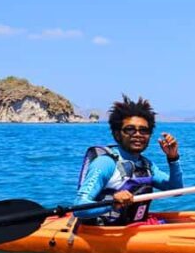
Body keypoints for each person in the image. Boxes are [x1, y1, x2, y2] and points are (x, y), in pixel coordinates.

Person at [73, 95, 183, 225]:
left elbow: (176, 190)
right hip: (105, 234)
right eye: (130, 129)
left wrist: (173, 158)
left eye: (144, 130)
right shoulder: (105, 163)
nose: (137, 134)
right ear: (117, 134)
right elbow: (79, 208)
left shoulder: (147, 166)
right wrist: (112, 203)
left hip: (134, 229)